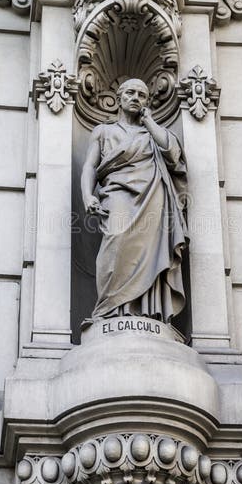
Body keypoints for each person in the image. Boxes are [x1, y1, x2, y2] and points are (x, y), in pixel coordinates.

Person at [81, 78, 187, 323]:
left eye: (141, 94)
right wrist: (87, 194)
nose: (135, 98)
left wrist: (149, 121)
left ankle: (146, 313)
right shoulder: (104, 131)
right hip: (116, 194)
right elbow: (90, 166)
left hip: (152, 196)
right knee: (115, 242)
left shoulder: (152, 132)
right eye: (130, 92)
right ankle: (109, 310)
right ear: (118, 98)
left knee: (149, 252)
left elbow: (173, 154)